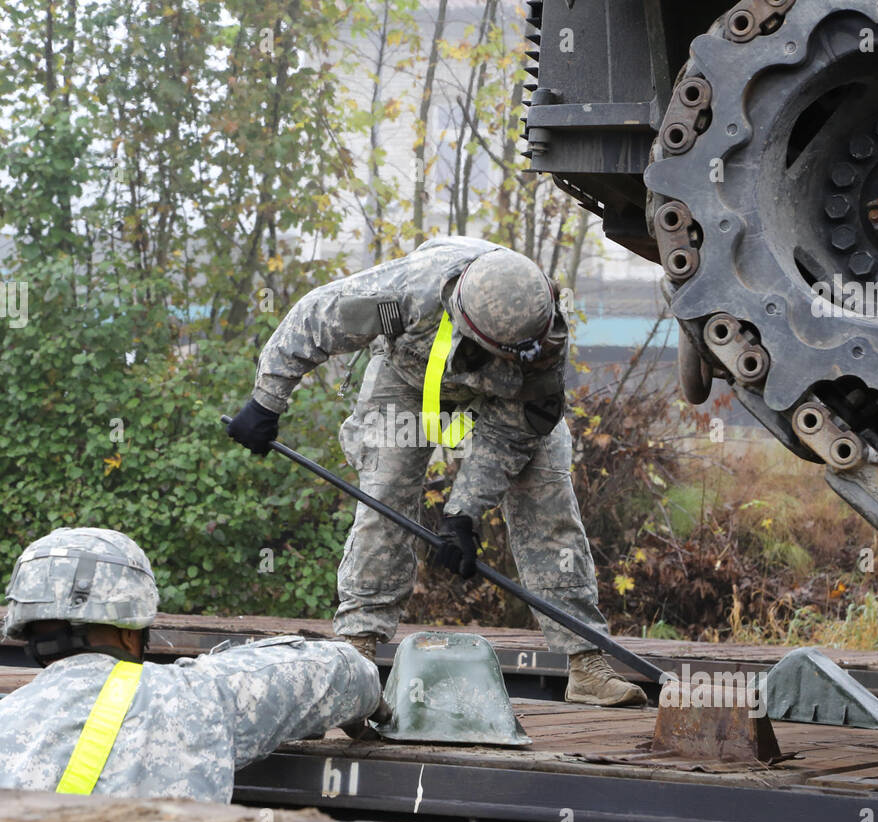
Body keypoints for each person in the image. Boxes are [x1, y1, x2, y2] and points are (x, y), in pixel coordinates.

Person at [227, 236, 646, 706]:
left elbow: (512, 434)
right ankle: (357, 652)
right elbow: (315, 318)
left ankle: (585, 662)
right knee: (384, 502)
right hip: (405, 380)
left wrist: (462, 514)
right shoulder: (405, 294)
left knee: (549, 498)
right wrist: (267, 400)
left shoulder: (542, 338)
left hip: (507, 405)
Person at [0, 527, 382, 799]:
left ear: (25, 631)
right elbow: (342, 672)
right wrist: (371, 708)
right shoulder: (204, 699)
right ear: (136, 624)